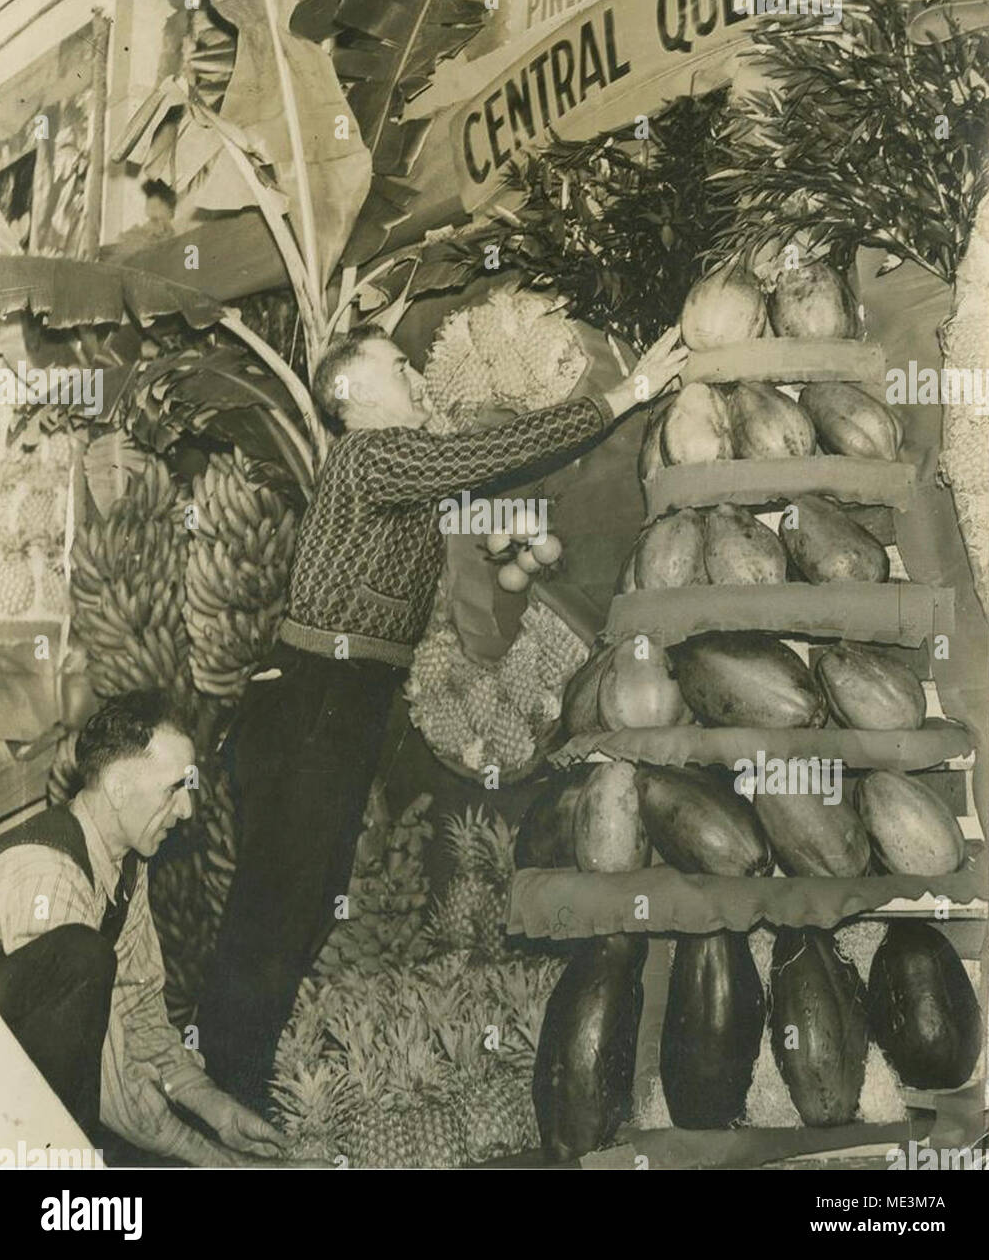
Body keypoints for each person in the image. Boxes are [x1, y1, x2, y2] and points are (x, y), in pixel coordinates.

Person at [199, 323, 687, 1109]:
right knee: (278, 900)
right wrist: (625, 395)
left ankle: (236, 1087)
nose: (416, 375)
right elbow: (482, 459)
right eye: (397, 367)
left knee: (304, 893)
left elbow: (482, 486)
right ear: (353, 395)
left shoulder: (405, 473)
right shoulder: (371, 455)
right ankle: (223, 1098)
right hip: (315, 696)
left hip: (343, 700)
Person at [0, 690, 285, 1166]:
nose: (188, 809)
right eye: (175, 788)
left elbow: (137, 1008)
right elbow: (107, 1088)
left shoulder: (123, 860)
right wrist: (220, 1162)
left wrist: (214, 1107)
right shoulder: (48, 875)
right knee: (85, 955)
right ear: (119, 787)